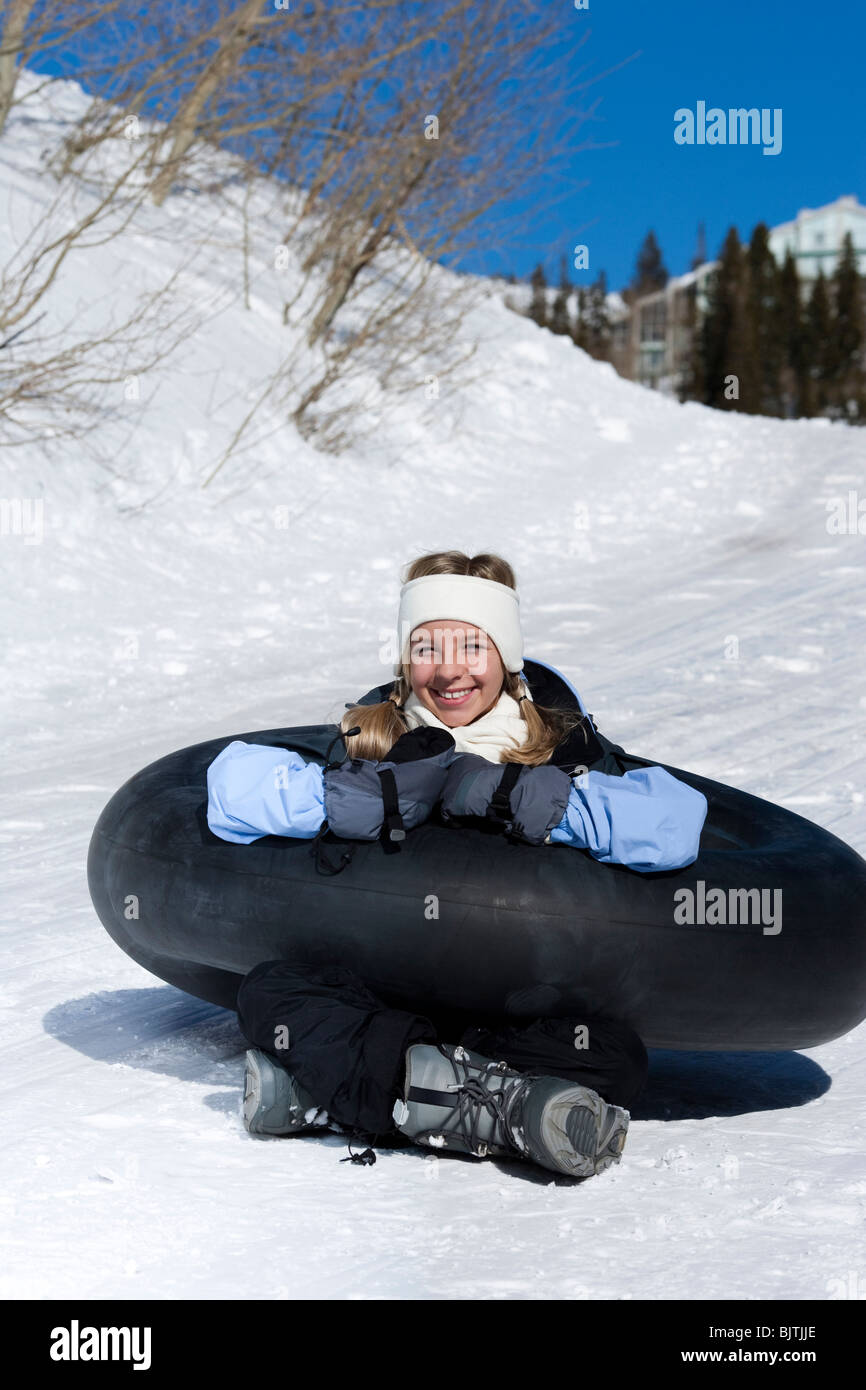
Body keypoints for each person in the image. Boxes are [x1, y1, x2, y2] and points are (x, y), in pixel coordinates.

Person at [206, 551, 708, 1180]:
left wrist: (519, 795)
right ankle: (501, 1108)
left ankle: (345, 1093)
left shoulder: (559, 741)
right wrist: (358, 796)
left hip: (511, 1007)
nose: (447, 673)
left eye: (472, 646)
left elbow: (672, 826)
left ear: (506, 653)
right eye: (425, 648)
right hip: (379, 982)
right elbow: (231, 788)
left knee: (614, 1058)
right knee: (270, 993)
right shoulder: (371, 733)